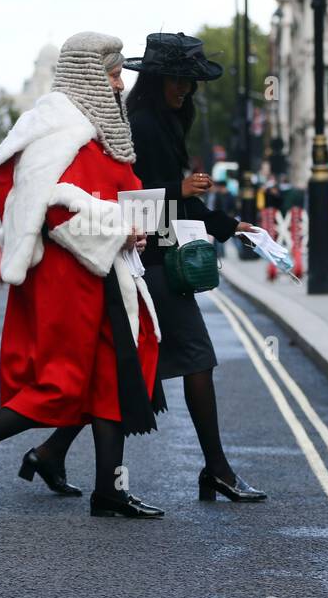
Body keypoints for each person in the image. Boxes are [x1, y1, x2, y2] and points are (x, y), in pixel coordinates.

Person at [22, 32, 265, 504]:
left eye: (191, 82)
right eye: (179, 79)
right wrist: (181, 192)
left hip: (158, 256)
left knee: (122, 374)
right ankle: (216, 469)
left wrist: (229, 225)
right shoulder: (144, 122)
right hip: (148, 261)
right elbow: (134, 202)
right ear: (157, 79)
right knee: (196, 358)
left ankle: (50, 452)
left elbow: (179, 204)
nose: (186, 89)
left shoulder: (168, 120)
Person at [0, 31, 164, 519]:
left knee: (110, 378)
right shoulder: (59, 127)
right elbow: (49, 207)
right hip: (68, 279)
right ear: (89, 75)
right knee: (61, 383)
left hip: (101, 273)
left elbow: (116, 190)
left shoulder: (97, 126)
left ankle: (109, 491)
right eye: (115, 73)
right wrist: (114, 232)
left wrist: (135, 228)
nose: (121, 84)